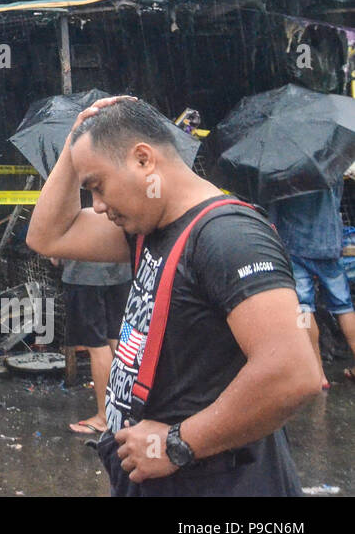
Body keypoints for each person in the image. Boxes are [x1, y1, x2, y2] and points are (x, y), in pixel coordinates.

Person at [26, 95, 323, 496]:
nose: (96, 206)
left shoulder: (227, 236)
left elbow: (293, 373)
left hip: (216, 481)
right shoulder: (151, 230)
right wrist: (75, 147)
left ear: (144, 160)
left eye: (97, 187)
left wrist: (179, 443)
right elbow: (48, 236)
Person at [269, 182, 355, 387]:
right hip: (329, 243)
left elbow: (271, 215)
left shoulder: (280, 172)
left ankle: (317, 373)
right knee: (344, 306)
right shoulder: (328, 164)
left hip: (295, 246)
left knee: (304, 308)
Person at [52, 255, 132, 435]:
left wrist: (56, 252)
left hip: (85, 276)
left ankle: (105, 417)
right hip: (122, 272)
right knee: (119, 339)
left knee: (96, 345)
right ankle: (125, 412)